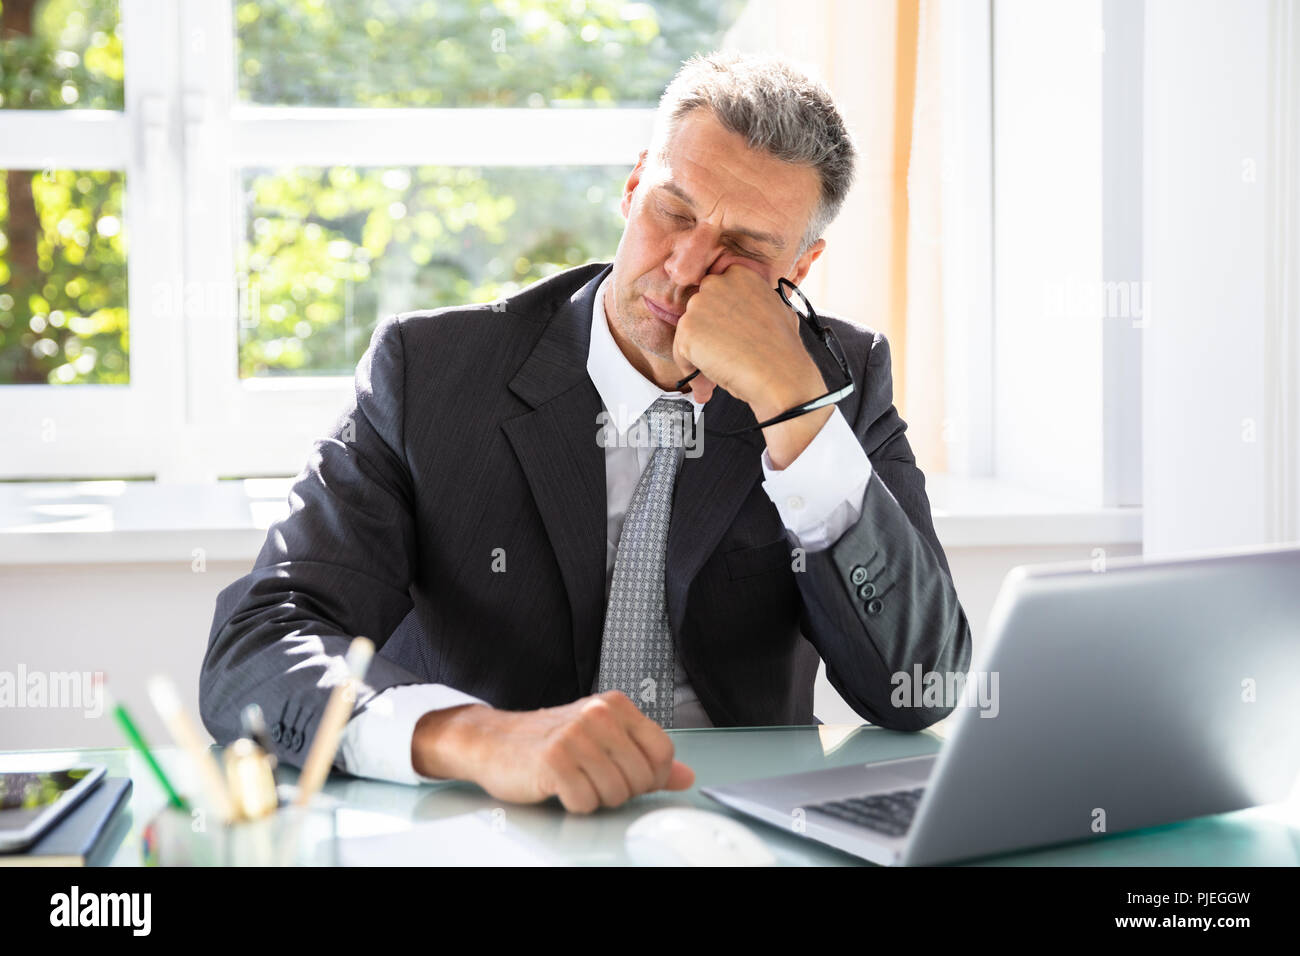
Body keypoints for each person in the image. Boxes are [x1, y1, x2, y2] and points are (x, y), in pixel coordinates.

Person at [201, 50, 972, 814]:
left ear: (798, 268)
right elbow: (259, 646)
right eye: (673, 211)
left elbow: (920, 686)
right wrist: (473, 736)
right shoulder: (430, 372)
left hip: (738, 833)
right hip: (485, 827)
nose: (684, 267)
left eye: (741, 250)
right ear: (634, 186)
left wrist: (794, 411)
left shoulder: (842, 379)